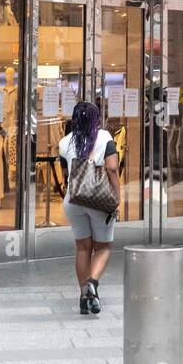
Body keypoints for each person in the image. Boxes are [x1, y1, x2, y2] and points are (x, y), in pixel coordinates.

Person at [58, 101, 119, 316]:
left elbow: (66, 174)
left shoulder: (64, 142)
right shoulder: (105, 137)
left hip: (74, 200)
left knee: (83, 248)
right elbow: (112, 168)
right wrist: (117, 196)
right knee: (103, 247)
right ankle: (92, 283)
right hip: (99, 200)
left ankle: (85, 298)